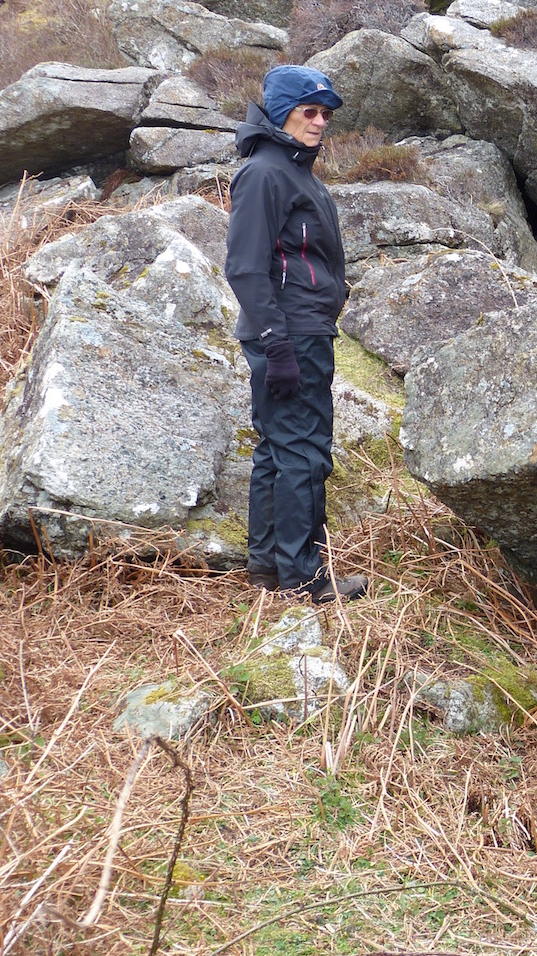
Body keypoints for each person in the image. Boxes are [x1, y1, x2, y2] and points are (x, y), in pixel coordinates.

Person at [226, 65, 367, 604]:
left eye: (326, 114)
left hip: (295, 329)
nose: (320, 122)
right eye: (310, 111)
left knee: (277, 449)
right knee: (304, 452)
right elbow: (244, 266)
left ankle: (266, 567)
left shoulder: (293, 171)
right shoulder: (266, 173)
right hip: (290, 332)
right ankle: (304, 577)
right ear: (283, 110)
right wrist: (277, 342)